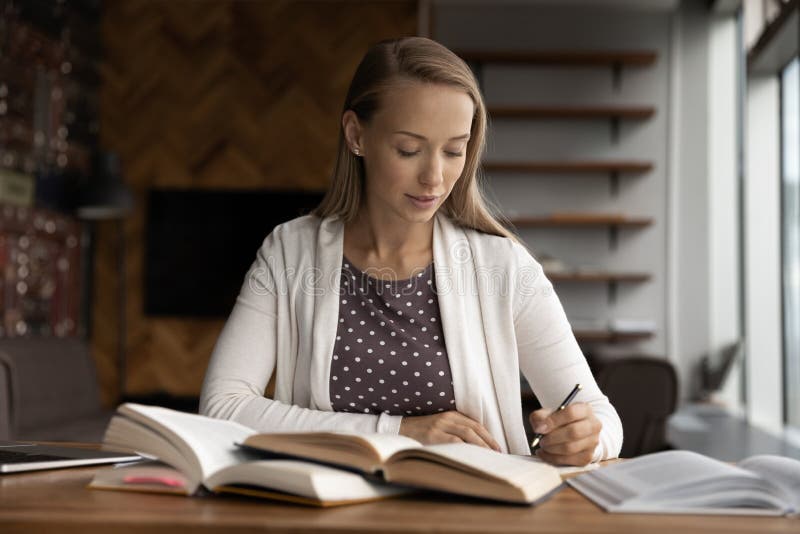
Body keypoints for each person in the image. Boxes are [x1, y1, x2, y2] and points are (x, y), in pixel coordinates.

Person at [200, 36, 623, 466]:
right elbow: (223, 407)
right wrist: (400, 433)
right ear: (355, 135)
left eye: (454, 150)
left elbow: (602, 417)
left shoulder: (504, 267)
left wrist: (587, 438)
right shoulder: (290, 253)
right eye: (409, 150)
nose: (434, 177)